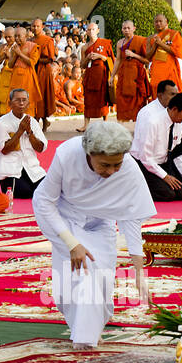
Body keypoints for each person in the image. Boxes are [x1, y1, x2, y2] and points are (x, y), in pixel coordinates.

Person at [32, 123, 153, 349]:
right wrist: (70, 242)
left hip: (100, 223)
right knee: (78, 279)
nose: (111, 171)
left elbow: (131, 217)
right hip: (63, 219)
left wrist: (138, 272)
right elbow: (44, 202)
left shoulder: (129, 168)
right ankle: (85, 340)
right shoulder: (67, 154)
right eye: (104, 165)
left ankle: (88, 333)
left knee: (101, 281)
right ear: (89, 153)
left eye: (116, 164)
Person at [130, 92, 182, 202]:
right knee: (168, 194)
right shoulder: (153, 123)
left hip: (162, 163)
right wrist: (165, 176)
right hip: (144, 165)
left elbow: (178, 154)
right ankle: (137, 189)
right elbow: (145, 158)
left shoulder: (178, 123)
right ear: (174, 109)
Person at [0, 87, 46, 199]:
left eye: (24, 100)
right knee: (26, 193)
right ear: (10, 104)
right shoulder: (1, 123)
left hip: (32, 168)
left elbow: (40, 148)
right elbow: (5, 150)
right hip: (11, 170)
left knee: (47, 190)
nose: (21, 103)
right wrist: (20, 131)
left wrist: (29, 132)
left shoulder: (32, 122)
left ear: (28, 104)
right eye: (17, 100)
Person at [114, 20, 151, 123]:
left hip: (137, 76)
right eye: (124, 28)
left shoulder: (141, 41)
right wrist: (112, 76)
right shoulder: (119, 43)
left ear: (134, 28)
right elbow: (118, 60)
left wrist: (134, 55)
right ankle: (121, 126)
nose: (126, 30)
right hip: (124, 75)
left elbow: (147, 60)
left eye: (128, 28)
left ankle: (139, 126)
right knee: (121, 101)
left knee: (138, 102)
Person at [79, 21, 113, 130]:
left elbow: (111, 59)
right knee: (88, 99)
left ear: (97, 31)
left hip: (101, 75)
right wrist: (88, 57)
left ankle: (105, 122)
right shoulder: (84, 47)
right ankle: (85, 125)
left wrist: (99, 56)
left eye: (93, 29)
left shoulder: (105, 43)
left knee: (103, 98)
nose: (91, 31)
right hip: (89, 75)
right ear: (87, 32)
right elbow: (82, 65)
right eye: (89, 30)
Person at [146, 13, 182, 92]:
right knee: (156, 89)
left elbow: (178, 52)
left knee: (169, 90)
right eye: (156, 22)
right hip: (156, 70)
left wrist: (161, 44)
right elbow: (147, 56)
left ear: (166, 22)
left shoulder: (174, 34)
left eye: (160, 21)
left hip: (169, 69)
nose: (158, 23)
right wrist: (155, 45)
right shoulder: (150, 38)